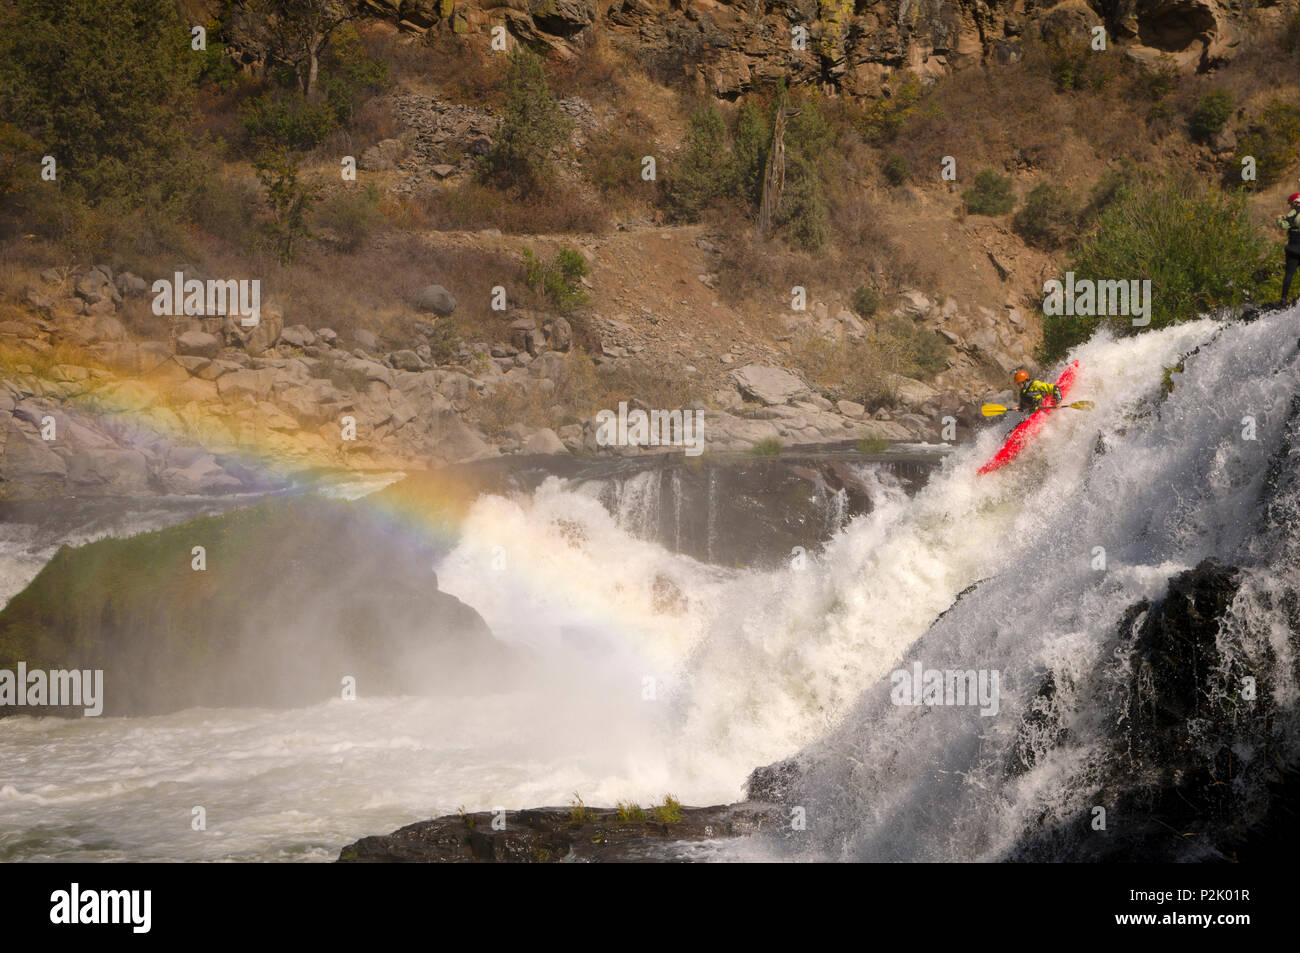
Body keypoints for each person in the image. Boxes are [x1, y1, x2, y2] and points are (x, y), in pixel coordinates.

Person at [1277, 192, 1300, 303]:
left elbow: (1284, 225)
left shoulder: (1295, 211)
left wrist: (1279, 219)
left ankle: (1283, 299)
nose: (1290, 206)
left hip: (1294, 249)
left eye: (1291, 204)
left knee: (1289, 274)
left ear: (1296, 203)